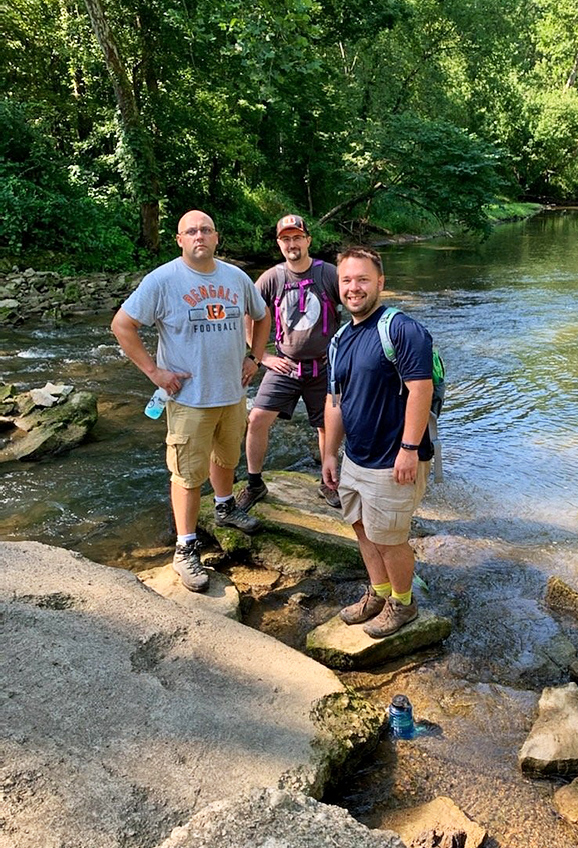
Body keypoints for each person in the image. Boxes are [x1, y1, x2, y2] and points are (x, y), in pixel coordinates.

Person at [111, 209, 271, 593]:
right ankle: (184, 549)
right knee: (185, 474)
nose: (199, 235)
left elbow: (262, 317)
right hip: (188, 398)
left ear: (216, 237)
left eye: (206, 230)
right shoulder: (163, 280)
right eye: (191, 231)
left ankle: (224, 507)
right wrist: (155, 372)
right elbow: (122, 325)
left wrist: (255, 357)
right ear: (180, 240)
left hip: (232, 393)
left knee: (226, 457)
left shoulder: (236, 277)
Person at [322, 247, 433, 638]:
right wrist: (329, 454)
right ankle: (379, 593)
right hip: (355, 458)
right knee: (362, 530)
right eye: (347, 280)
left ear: (380, 283)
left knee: (390, 540)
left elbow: (420, 389)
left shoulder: (401, 330)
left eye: (363, 279)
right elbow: (335, 400)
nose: (354, 288)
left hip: (392, 459)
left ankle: (403, 605)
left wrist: (409, 449)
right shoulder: (339, 340)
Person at [236, 214, 342, 512]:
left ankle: (329, 483)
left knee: (326, 427)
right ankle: (255, 484)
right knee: (256, 419)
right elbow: (249, 312)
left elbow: (357, 305)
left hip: (324, 365)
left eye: (297, 237)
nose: (292, 244)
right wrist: (262, 356)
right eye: (286, 239)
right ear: (279, 244)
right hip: (285, 364)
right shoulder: (272, 278)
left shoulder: (329, 274)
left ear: (308, 240)